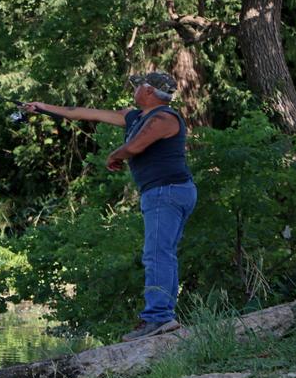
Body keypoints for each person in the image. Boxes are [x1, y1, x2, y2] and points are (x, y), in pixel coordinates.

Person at [24, 70, 197, 341]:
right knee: (163, 253)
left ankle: (159, 318)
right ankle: (162, 316)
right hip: (161, 192)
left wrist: (114, 155)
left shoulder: (164, 118)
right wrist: (43, 107)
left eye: (138, 86)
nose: (134, 89)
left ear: (149, 91)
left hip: (167, 191)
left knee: (156, 255)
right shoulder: (134, 116)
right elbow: (82, 113)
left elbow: (135, 146)